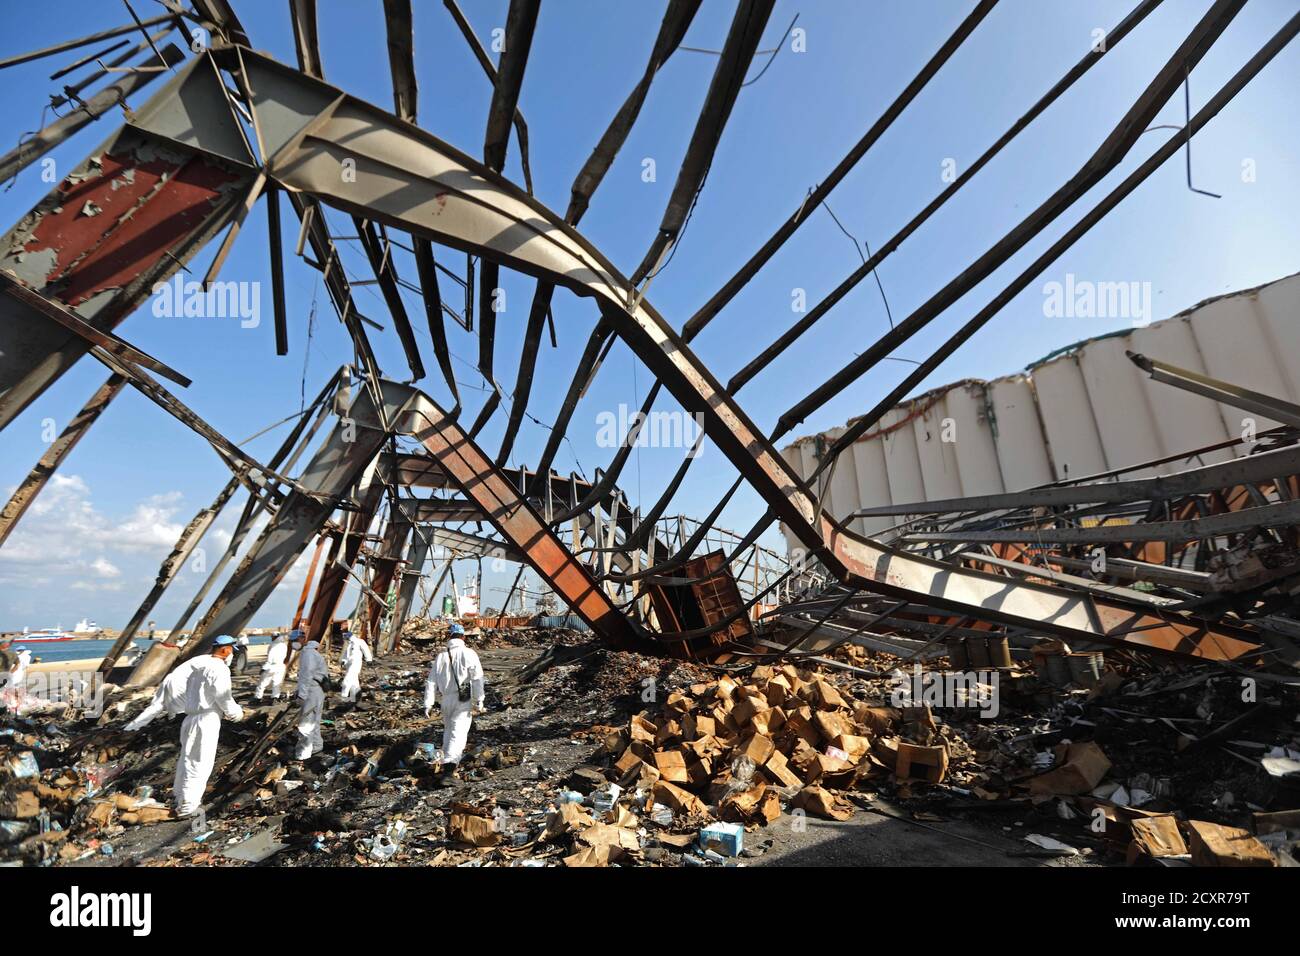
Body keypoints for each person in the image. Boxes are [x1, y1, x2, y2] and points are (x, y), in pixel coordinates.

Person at [173, 636, 244, 818]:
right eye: (230, 650)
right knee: (200, 761)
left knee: (186, 759)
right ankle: (189, 805)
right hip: (206, 719)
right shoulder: (219, 669)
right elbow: (223, 696)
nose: (231, 655)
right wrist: (236, 713)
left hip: (190, 718)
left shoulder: (199, 667)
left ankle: (180, 798)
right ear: (224, 649)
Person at [423, 623, 485, 781]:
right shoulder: (469, 653)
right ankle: (449, 771)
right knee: (458, 733)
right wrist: (479, 700)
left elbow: (431, 682)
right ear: (463, 637)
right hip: (462, 697)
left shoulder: (441, 656)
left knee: (448, 731)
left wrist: (428, 704)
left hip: (446, 699)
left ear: (449, 637)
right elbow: (477, 679)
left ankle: (445, 763)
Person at [293, 633, 330, 761]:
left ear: (303, 639)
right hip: (316, 690)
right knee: (314, 720)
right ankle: (317, 746)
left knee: (306, 724)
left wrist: (301, 695)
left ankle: (303, 754)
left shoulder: (308, 654)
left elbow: (306, 675)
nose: (293, 643)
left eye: (295, 640)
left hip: (312, 691)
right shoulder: (309, 652)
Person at [338, 630, 372, 703]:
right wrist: (343, 661)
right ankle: (355, 699)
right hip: (349, 664)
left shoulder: (359, 641)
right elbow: (346, 654)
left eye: (345, 636)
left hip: (356, 664)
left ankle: (343, 697)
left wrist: (369, 659)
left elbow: (366, 650)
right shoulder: (349, 644)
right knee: (354, 683)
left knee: (347, 680)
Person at [255, 632, 290, 700]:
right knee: (276, 683)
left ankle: (257, 698)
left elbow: (270, 658)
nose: (271, 638)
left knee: (262, 684)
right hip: (280, 667)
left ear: (275, 637)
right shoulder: (284, 645)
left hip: (271, 667)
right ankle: (275, 698)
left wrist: (263, 668)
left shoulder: (273, 645)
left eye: (272, 637)